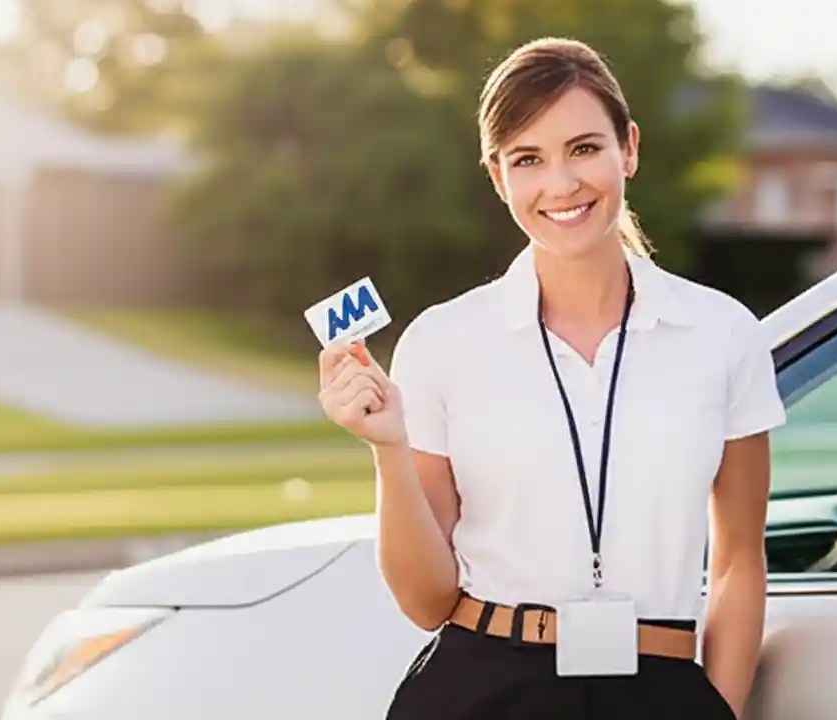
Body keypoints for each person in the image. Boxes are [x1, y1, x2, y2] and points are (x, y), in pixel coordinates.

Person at [317, 36, 785, 720]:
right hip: (483, 688)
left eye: (584, 148)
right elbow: (425, 602)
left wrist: (721, 708)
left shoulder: (723, 334)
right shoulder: (443, 341)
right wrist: (386, 445)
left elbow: (741, 560)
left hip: (658, 686)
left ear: (628, 147)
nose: (561, 185)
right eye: (528, 159)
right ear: (498, 176)